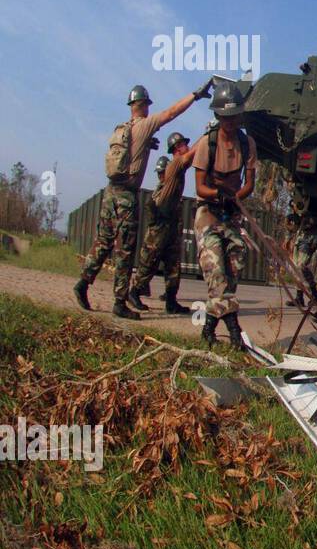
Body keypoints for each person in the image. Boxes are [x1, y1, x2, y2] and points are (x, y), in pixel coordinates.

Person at [74, 81, 211, 319]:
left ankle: (83, 283)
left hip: (110, 192)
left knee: (103, 242)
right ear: (143, 105)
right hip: (127, 196)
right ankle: (119, 302)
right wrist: (195, 95)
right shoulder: (146, 124)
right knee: (126, 250)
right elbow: (171, 113)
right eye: (147, 104)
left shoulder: (124, 128)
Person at [192, 80, 258, 348]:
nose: (229, 123)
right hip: (208, 212)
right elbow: (199, 187)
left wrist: (235, 199)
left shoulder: (247, 143)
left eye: (234, 117)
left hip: (232, 213)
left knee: (234, 269)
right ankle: (234, 332)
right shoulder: (206, 143)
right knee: (216, 274)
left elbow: (250, 184)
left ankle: (208, 329)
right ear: (217, 116)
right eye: (224, 117)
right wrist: (218, 196)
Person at [126, 132, 196, 314]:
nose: (186, 146)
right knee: (150, 260)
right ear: (176, 149)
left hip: (170, 225)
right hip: (160, 227)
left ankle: (171, 301)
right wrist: (209, 134)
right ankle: (134, 291)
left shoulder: (177, 170)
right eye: (182, 144)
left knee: (173, 263)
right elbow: (192, 154)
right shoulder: (175, 165)